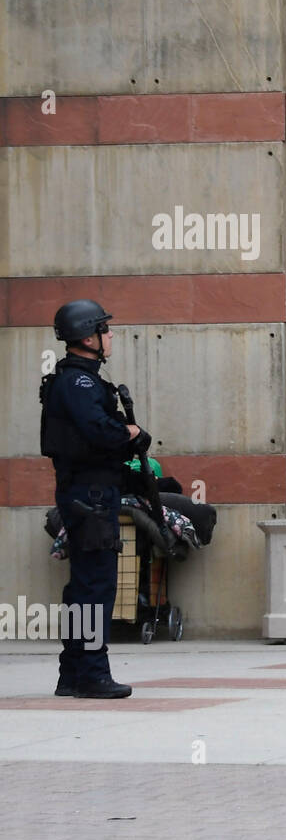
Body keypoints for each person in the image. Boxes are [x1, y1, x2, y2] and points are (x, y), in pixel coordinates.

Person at [40, 300, 145, 699]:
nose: (110, 335)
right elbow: (100, 431)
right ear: (88, 337)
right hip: (91, 495)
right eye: (104, 329)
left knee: (83, 585)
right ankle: (92, 675)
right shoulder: (79, 383)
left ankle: (72, 673)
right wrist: (131, 433)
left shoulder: (78, 379)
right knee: (95, 586)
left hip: (89, 491)